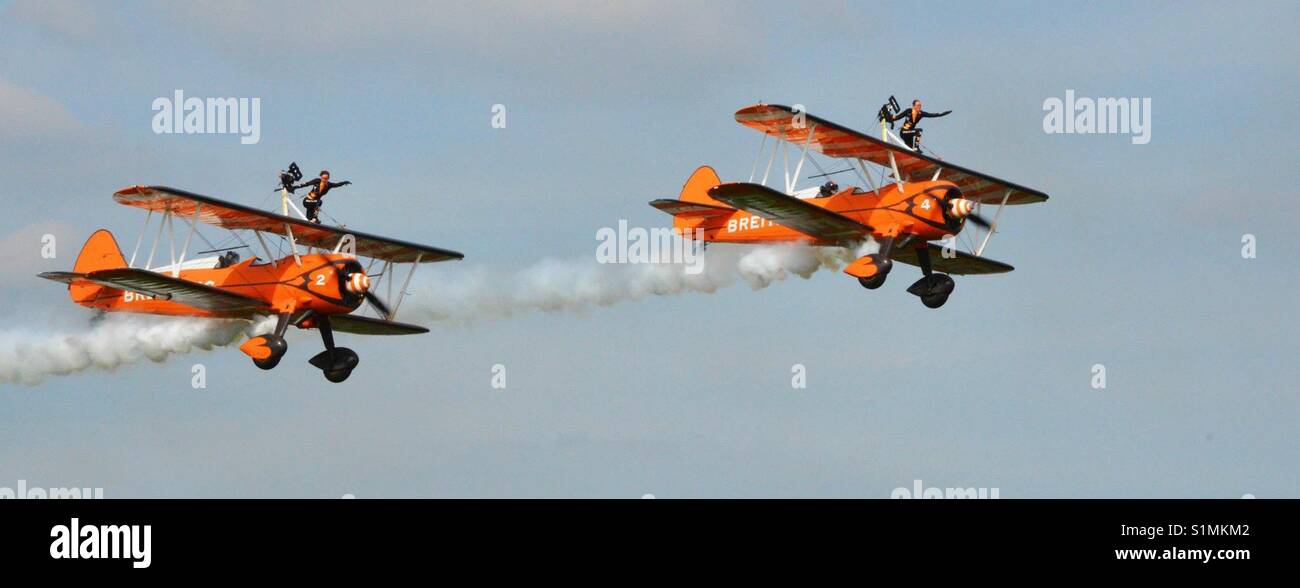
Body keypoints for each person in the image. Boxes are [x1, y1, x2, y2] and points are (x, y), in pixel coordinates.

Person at [886, 99, 951, 152]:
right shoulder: (908, 111)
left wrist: (943, 114)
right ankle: (917, 147)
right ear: (913, 106)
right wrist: (888, 118)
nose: (919, 107)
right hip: (903, 132)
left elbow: (932, 115)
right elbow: (897, 117)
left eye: (920, 105)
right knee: (919, 131)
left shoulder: (921, 113)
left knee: (910, 150)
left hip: (910, 135)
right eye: (918, 105)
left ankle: (909, 156)